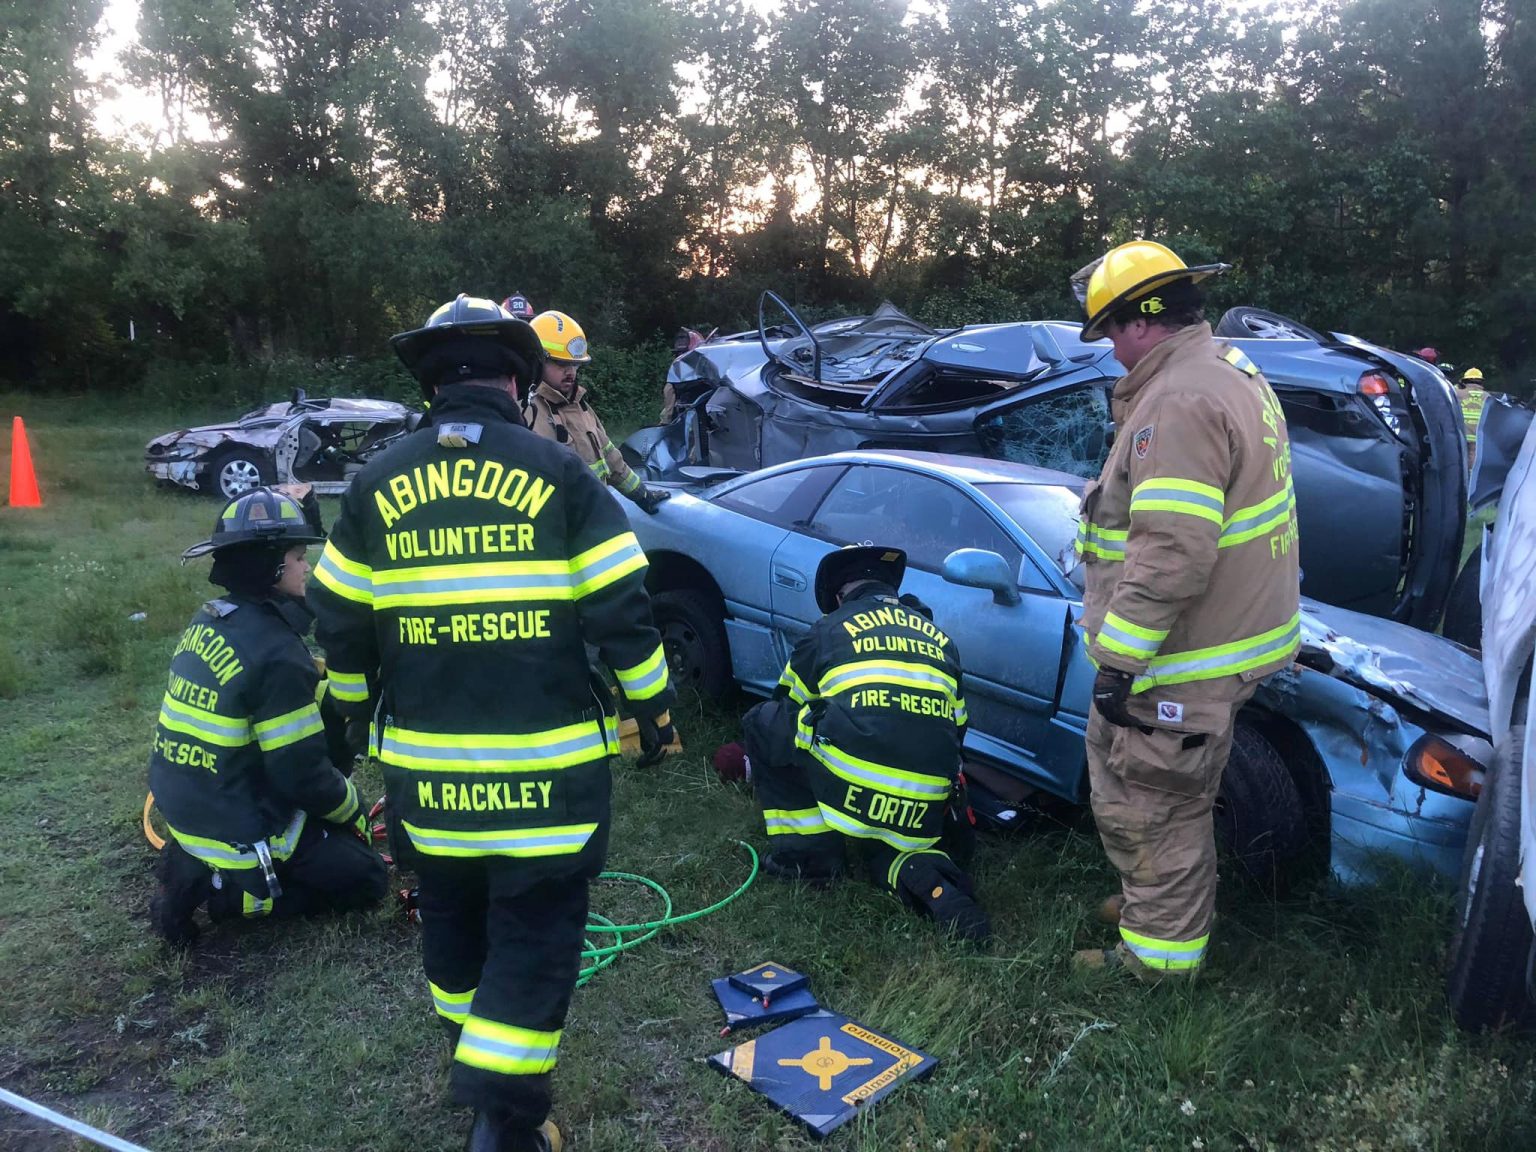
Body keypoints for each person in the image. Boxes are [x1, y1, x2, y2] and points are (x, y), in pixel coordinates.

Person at [308, 294, 676, 1152]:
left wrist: (350, 718)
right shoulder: (559, 476)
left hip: (430, 792)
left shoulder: (371, 486)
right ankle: (503, 1124)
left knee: (454, 922)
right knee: (536, 936)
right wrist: (652, 709)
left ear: (431, 386)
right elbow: (624, 608)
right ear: (516, 381)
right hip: (547, 785)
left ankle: (472, 1070)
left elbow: (340, 619)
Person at [1068, 240, 1301, 980]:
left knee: (1151, 803)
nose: (1109, 350)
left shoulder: (1177, 403)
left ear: (1142, 322)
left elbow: (1173, 552)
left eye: (1109, 331)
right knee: (1159, 796)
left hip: (1180, 655)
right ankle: (1152, 903)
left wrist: (1118, 663)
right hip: (1225, 638)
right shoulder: (1225, 368)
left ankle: (1156, 960)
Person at [148, 486, 387, 947]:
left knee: (330, 701)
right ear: (274, 567)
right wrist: (351, 808)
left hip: (192, 799)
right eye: (299, 557)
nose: (308, 567)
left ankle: (194, 863)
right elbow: (299, 774)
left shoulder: (216, 618)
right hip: (238, 821)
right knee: (366, 880)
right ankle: (229, 897)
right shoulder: (276, 655)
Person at [716, 545, 991, 943]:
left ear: (841, 595)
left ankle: (808, 861)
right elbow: (957, 727)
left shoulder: (828, 630)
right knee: (889, 853)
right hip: (925, 798)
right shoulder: (941, 640)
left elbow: (786, 707)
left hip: (855, 784)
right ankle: (929, 879)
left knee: (764, 724)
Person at [524, 309, 670, 514]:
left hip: (593, 519)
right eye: (561, 364)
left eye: (575, 365)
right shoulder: (526, 412)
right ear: (537, 361)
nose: (571, 373)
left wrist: (641, 495)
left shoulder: (580, 406)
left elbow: (611, 459)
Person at [1458, 366, 1486, 468]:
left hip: (1461, 433)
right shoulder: (1487, 397)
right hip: (1478, 436)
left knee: (1458, 456)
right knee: (1473, 456)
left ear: (1465, 381)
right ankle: (1471, 479)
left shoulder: (1457, 393)